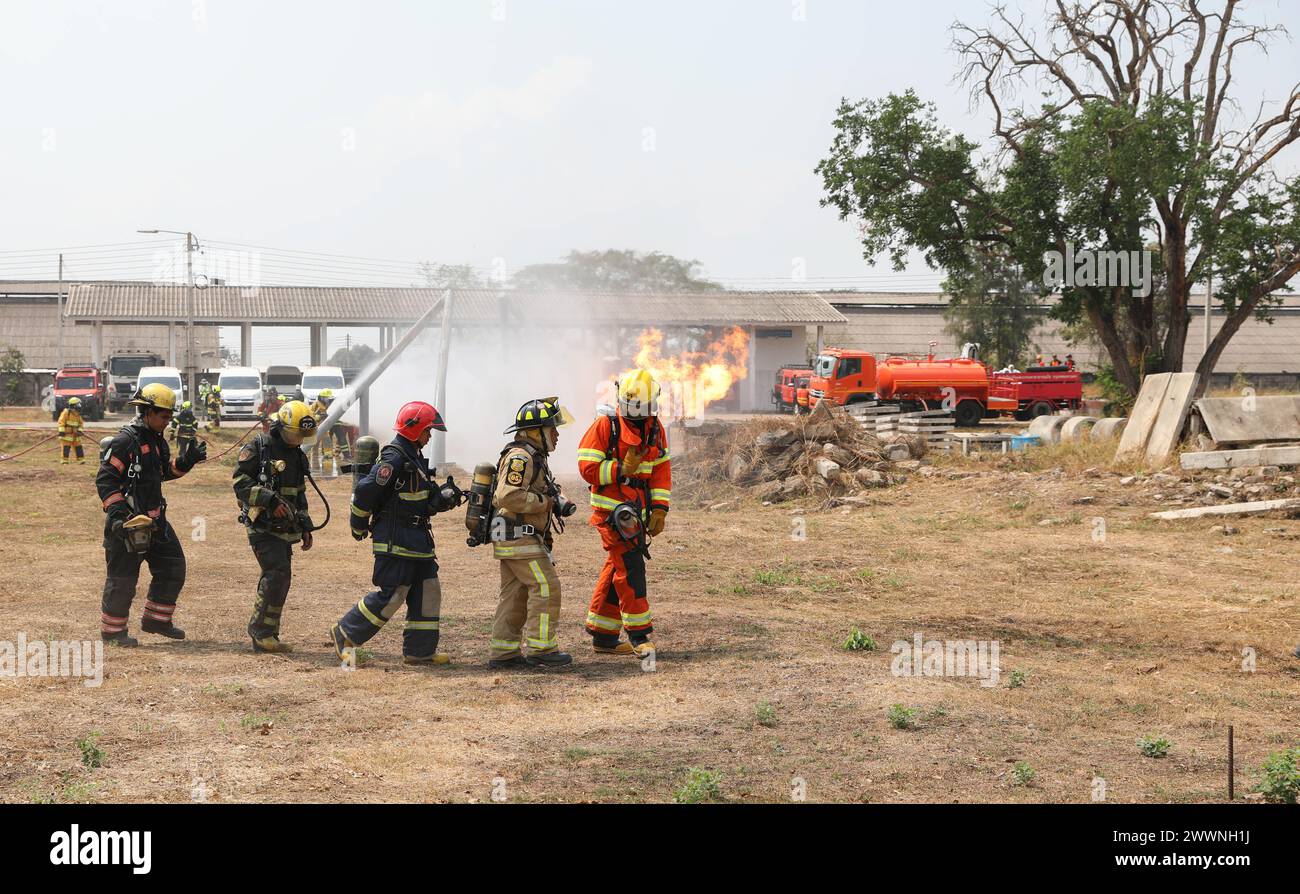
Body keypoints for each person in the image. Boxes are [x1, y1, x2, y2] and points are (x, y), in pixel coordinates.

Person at [330, 401, 463, 666]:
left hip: (418, 540)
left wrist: (444, 498)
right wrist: (358, 525)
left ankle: (419, 652)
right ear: (415, 430)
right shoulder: (394, 458)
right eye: (427, 431)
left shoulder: (412, 455)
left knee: (428, 590)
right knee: (393, 594)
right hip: (395, 540)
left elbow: (419, 498)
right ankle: (345, 634)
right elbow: (365, 492)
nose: (429, 436)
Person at [96, 383, 207, 646]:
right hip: (129, 525)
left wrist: (185, 462)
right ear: (147, 412)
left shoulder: (156, 442)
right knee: (123, 579)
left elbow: (160, 474)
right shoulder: (125, 442)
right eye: (163, 416)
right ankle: (112, 633)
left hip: (156, 523)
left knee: (173, 567)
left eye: (169, 416)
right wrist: (120, 515)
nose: (167, 422)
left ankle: (157, 620)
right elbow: (106, 481)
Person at [576, 370, 671, 658]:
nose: (640, 416)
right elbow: (586, 468)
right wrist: (620, 470)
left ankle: (603, 636)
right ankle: (639, 635)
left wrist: (659, 509)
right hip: (611, 512)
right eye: (635, 410)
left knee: (617, 566)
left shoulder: (655, 428)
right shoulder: (606, 425)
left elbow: (660, 470)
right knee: (631, 569)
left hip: (637, 512)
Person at [488, 397, 577, 669]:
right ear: (535, 430)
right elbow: (508, 495)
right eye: (552, 429)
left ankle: (504, 653)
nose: (557, 434)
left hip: (515, 536)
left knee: (515, 595)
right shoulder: (521, 457)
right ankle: (542, 648)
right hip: (519, 537)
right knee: (546, 586)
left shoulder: (534, 456)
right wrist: (546, 503)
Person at [233, 400, 319, 653]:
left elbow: (299, 493)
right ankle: (261, 634)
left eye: (303, 435)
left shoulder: (297, 455)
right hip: (261, 524)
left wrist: (304, 525)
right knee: (276, 573)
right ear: (280, 426)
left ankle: (268, 633)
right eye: (295, 433)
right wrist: (268, 500)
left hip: (285, 527)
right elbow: (240, 483)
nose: (299, 439)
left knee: (281, 577)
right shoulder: (259, 448)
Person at [57, 396, 87, 465]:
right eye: (78, 404)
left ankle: (81, 460)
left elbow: (81, 423)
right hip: (66, 435)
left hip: (76, 435)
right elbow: (61, 422)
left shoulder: (77, 414)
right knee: (66, 448)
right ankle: (64, 461)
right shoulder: (66, 413)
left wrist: (79, 430)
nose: (79, 406)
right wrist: (61, 431)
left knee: (79, 448)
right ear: (73, 406)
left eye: (79, 404)